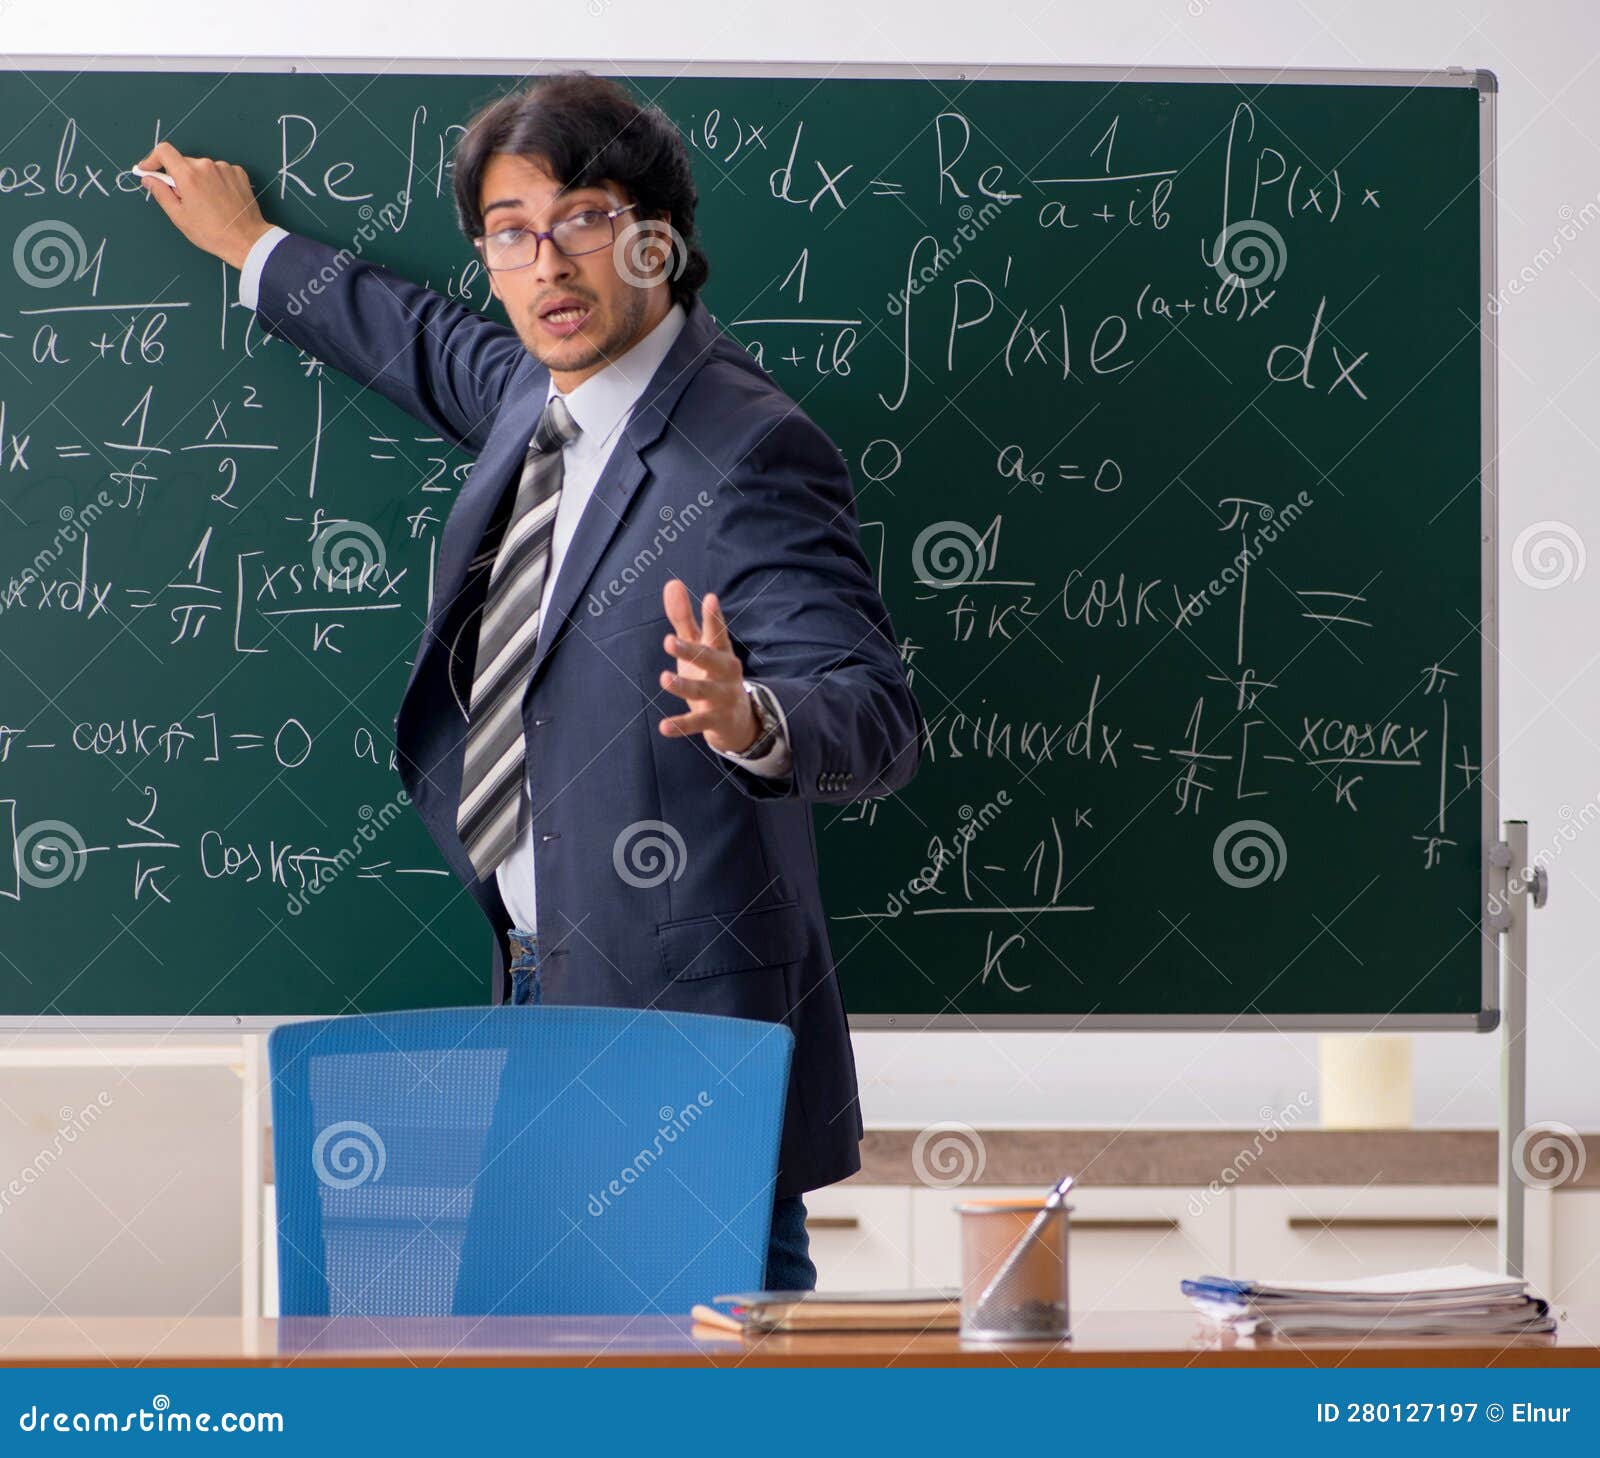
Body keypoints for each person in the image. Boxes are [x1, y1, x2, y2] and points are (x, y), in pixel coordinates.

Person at [135, 70, 923, 1293]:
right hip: (537, 987)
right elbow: (414, 337)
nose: (547, 263)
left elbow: (874, 716)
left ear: (661, 235)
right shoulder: (529, 395)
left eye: (586, 219)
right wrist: (251, 245)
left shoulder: (749, 448)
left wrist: (751, 717)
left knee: (703, 1400)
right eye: (512, 233)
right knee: (542, 1380)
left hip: (688, 1043)